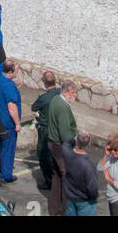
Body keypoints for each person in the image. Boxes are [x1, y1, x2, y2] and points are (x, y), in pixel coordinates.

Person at [46, 79, 79, 216]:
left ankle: (55, 209)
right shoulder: (64, 107)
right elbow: (65, 134)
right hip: (60, 146)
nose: (76, 96)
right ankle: (66, 210)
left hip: (52, 143)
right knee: (66, 178)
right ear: (69, 93)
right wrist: (75, 139)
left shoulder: (55, 100)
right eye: (75, 93)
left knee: (57, 177)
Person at [0, 59, 22, 184]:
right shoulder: (8, 85)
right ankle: (6, 174)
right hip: (7, 122)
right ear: (11, 71)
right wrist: (17, 123)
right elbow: (11, 107)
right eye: (16, 70)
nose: (17, 72)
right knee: (8, 149)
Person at [32, 69, 62, 194]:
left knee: (44, 155)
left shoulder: (44, 98)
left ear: (44, 83)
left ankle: (49, 181)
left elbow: (34, 107)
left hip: (46, 130)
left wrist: (40, 115)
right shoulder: (60, 94)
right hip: (58, 129)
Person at [64, 131, 99, 216]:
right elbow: (92, 187)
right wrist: (93, 198)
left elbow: (65, 145)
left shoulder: (67, 154)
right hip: (84, 201)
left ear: (76, 140)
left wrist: (74, 139)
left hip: (70, 197)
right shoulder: (88, 164)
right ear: (89, 143)